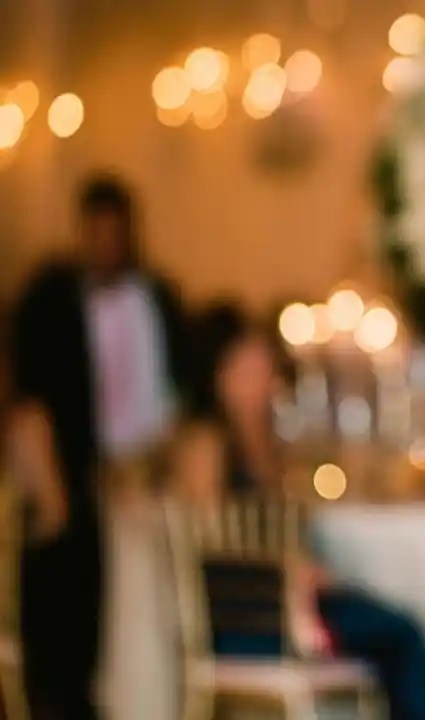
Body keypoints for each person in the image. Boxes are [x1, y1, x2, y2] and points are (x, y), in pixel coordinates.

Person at [170, 304, 425, 720]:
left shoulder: (271, 447)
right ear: (221, 374)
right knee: (403, 637)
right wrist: (289, 573)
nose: (266, 380)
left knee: (400, 634)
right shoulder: (206, 445)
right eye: (251, 368)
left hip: (293, 608)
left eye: (266, 367)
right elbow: (210, 541)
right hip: (251, 620)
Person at [8, 173, 189, 720]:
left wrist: (154, 461)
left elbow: (173, 391)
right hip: (73, 474)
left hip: (145, 470)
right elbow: (34, 397)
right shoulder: (51, 301)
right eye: (96, 232)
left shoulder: (157, 299)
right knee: (69, 597)